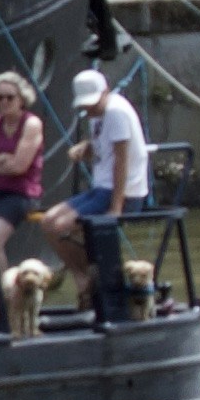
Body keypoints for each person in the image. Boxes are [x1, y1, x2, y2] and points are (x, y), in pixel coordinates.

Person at [57, 57, 151, 322]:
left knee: (61, 226)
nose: (89, 110)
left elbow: (122, 159)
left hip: (121, 192)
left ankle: (97, 279)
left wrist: (115, 208)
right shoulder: (98, 115)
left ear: (105, 94)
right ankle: (87, 278)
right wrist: (85, 148)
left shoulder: (116, 112)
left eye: (92, 104)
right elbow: (103, 148)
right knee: (49, 223)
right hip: (101, 188)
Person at [0, 67, 48, 246]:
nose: (4, 102)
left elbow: (18, 167)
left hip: (20, 194)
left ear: (22, 99)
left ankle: (0, 275)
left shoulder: (31, 124)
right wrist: (3, 157)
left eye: (9, 97)